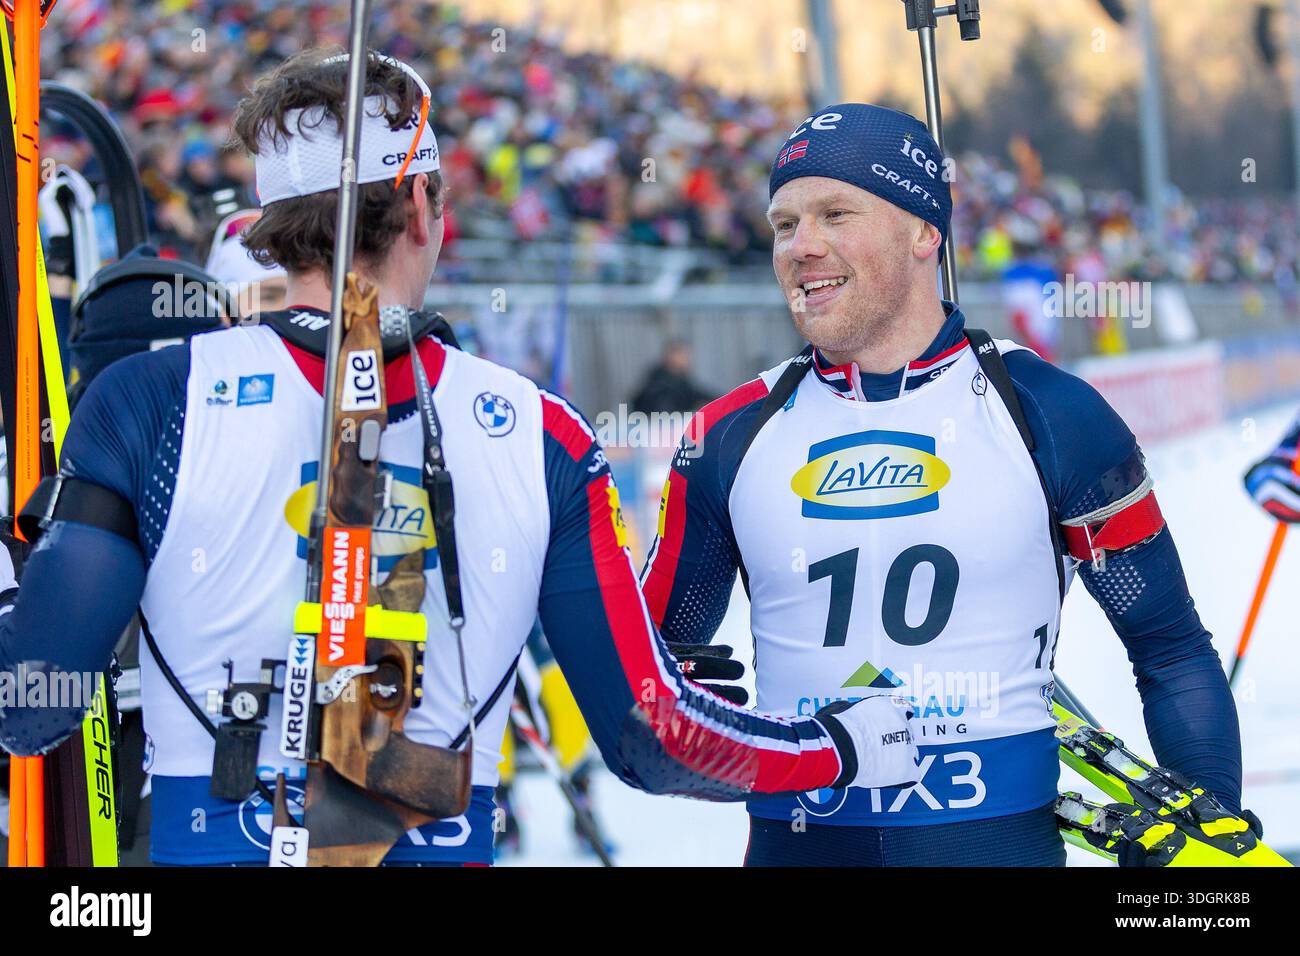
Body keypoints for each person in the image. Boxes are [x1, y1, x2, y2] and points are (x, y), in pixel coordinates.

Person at [0, 54, 914, 867]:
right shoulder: (541, 430)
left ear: (268, 224)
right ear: (426, 205)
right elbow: (657, 740)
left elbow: (30, 705)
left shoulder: (151, 398)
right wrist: (838, 744)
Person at [639, 104, 1245, 867]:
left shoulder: (1049, 413)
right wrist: (687, 716)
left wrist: (1212, 817)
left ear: (926, 232)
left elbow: (1170, 648)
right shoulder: (726, 436)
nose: (803, 246)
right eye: (784, 223)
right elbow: (649, 685)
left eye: (835, 213)